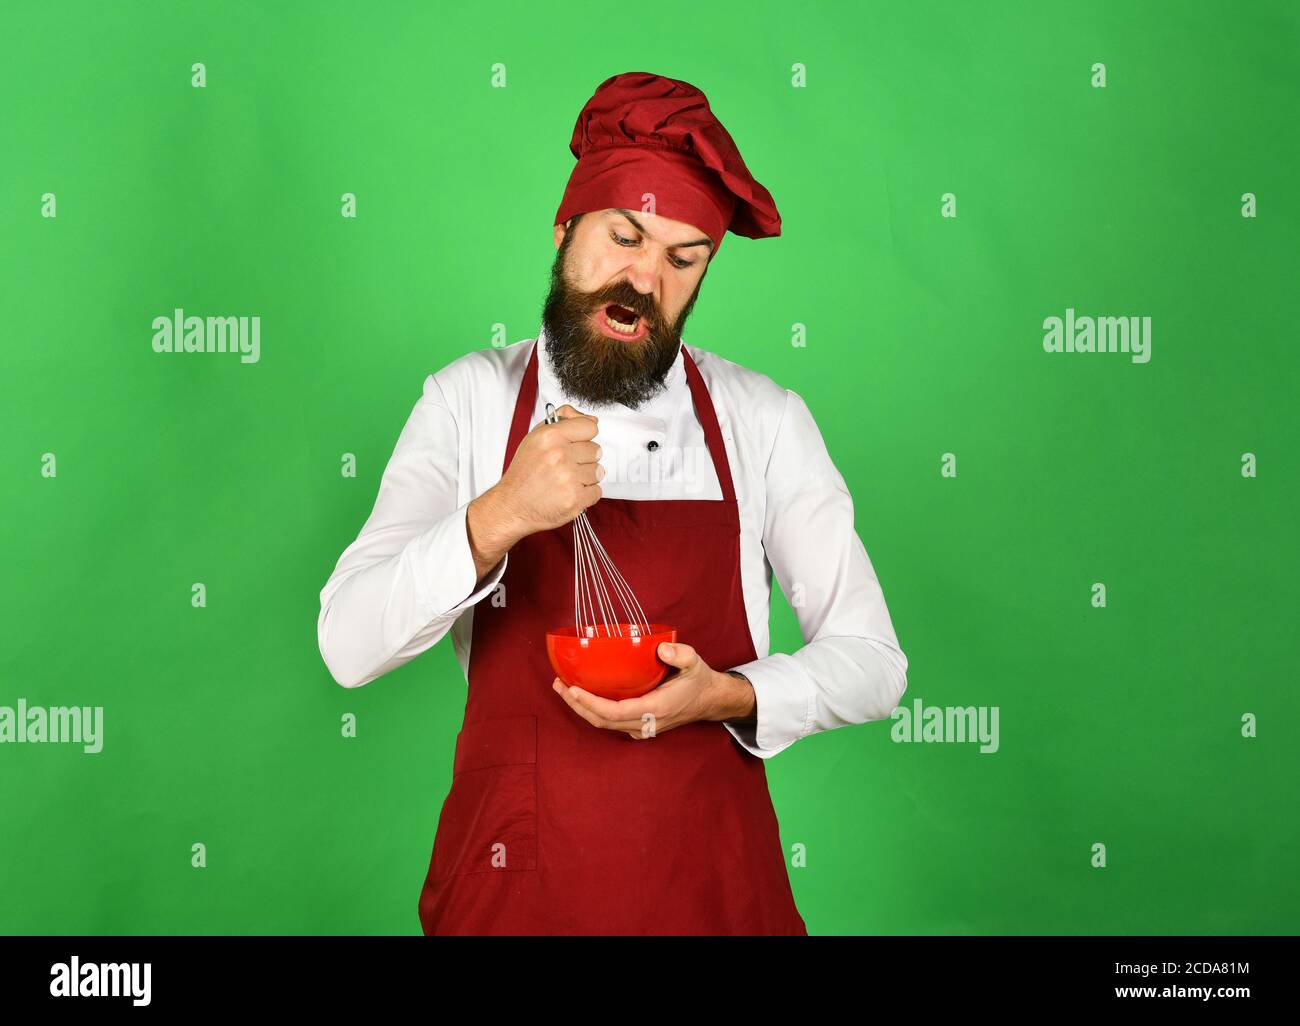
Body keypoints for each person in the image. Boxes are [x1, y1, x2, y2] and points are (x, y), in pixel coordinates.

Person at [317, 71, 908, 935]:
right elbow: (346, 645)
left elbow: (876, 663)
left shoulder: (762, 419)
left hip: (712, 892)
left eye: (681, 258)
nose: (642, 281)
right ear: (564, 232)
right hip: (513, 895)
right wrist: (502, 515)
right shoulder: (470, 399)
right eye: (623, 237)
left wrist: (729, 695)